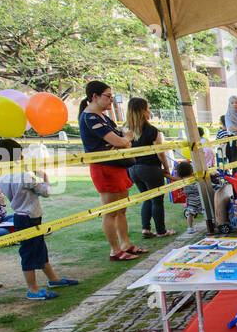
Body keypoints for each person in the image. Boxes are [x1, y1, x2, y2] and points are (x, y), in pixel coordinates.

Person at [0, 138, 77, 301]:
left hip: (24, 216)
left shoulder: (4, 175)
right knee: (29, 253)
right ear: (20, 156)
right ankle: (32, 289)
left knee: (39, 249)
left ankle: (53, 279)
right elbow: (46, 192)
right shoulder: (23, 175)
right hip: (28, 217)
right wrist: (45, 176)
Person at [78, 80, 143, 262]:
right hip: (104, 167)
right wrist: (124, 140)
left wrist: (124, 140)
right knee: (111, 211)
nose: (111, 100)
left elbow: (124, 140)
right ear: (95, 97)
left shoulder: (103, 118)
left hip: (116, 165)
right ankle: (115, 249)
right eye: (108, 96)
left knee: (121, 209)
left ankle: (125, 244)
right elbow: (120, 140)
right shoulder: (90, 117)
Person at [124, 97, 176, 240]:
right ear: (142, 111)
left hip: (133, 169)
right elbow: (160, 152)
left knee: (147, 198)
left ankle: (146, 228)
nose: (149, 112)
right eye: (147, 109)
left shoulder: (126, 130)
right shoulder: (151, 130)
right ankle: (161, 230)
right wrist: (166, 168)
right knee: (157, 200)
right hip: (150, 168)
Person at [177, 160, 203, 233]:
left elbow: (174, 179)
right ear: (191, 170)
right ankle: (212, 221)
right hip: (199, 197)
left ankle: (190, 228)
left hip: (190, 199)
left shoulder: (182, 180)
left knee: (190, 214)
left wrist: (167, 175)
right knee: (206, 210)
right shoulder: (194, 177)